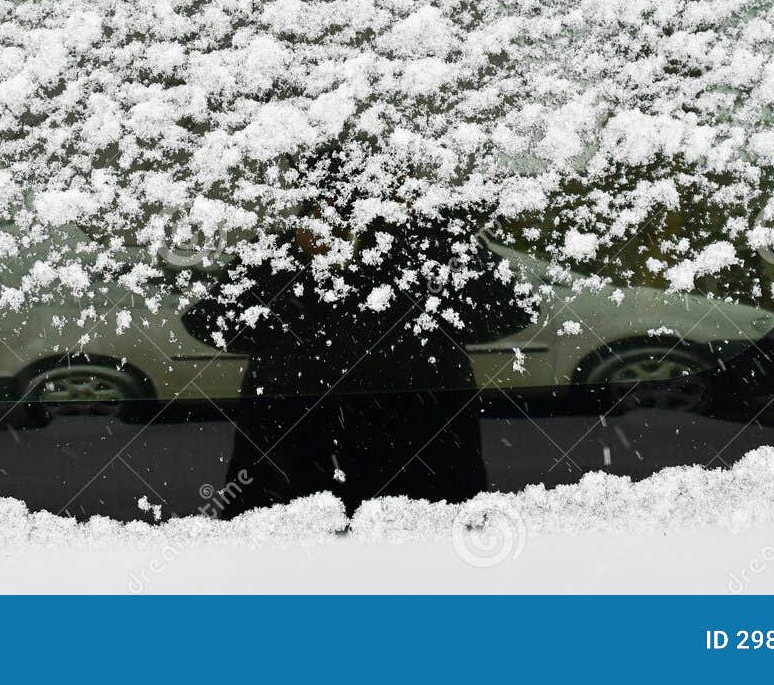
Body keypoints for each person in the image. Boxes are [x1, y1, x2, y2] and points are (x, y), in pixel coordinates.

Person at [181, 211, 531, 515]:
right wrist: (295, 257)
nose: (349, 218)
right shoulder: (277, 254)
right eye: (331, 201)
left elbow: (513, 310)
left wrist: (424, 240)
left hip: (424, 479)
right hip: (296, 479)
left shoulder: (433, 247)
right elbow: (210, 322)